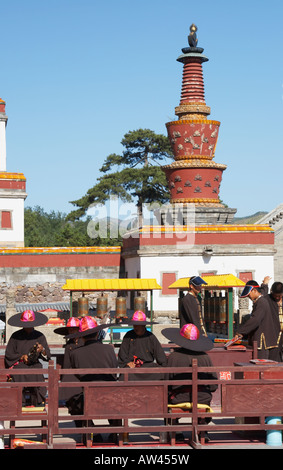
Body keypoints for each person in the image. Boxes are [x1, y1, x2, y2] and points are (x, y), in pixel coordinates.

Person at [64, 315, 120, 444]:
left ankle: (90, 431)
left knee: (74, 401)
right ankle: (114, 432)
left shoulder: (75, 353)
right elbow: (114, 368)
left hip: (88, 396)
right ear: (97, 334)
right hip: (109, 393)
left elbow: (75, 374)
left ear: (82, 336)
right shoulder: (109, 349)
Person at [162, 323, 217, 442]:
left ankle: (176, 430)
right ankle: (203, 430)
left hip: (179, 398)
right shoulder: (205, 357)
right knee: (206, 396)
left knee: (166, 396)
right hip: (202, 397)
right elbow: (213, 386)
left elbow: (166, 383)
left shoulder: (174, 357)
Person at [5, 309, 51, 406]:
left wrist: (42, 350)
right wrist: (21, 356)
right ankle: (19, 401)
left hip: (35, 364)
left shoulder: (40, 336)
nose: (28, 327)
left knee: (38, 373)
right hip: (20, 364)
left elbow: (47, 356)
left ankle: (39, 401)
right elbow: (9, 354)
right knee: (18, 373)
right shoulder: (15, 336)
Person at [234, 280, 281, 360]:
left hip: (262, 341)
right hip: (260, 340)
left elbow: (255, 320)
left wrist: (240, 332)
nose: (249, 297)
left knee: (261, 365)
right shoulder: (260, 301)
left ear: (254, 291)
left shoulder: (261, 302)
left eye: (249, 295)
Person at [118, 310, 167, 380]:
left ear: (144, 325)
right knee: (125, 376)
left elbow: (160, 356)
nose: (136, 327)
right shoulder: (128, 336)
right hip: (133, 368)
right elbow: (122, 354)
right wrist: (127, 363)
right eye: (135, 325)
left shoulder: (150, 337)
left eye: (138, 325)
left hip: (148, 368)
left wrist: (163, 369)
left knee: (159, 374)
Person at [54, 317, 83, 405]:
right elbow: (66, 363)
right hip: (71, 370)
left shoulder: (84, 342)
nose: (71, 331)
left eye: (73, 329)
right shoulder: (68, 345)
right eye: (70, 330)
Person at [262, 281, 283, 360]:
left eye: (279, 296)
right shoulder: (268, 299)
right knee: (275, 355)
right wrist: (264, 285)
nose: (277, 298)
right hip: (274, 333)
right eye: (275, 296)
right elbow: (261, 298)